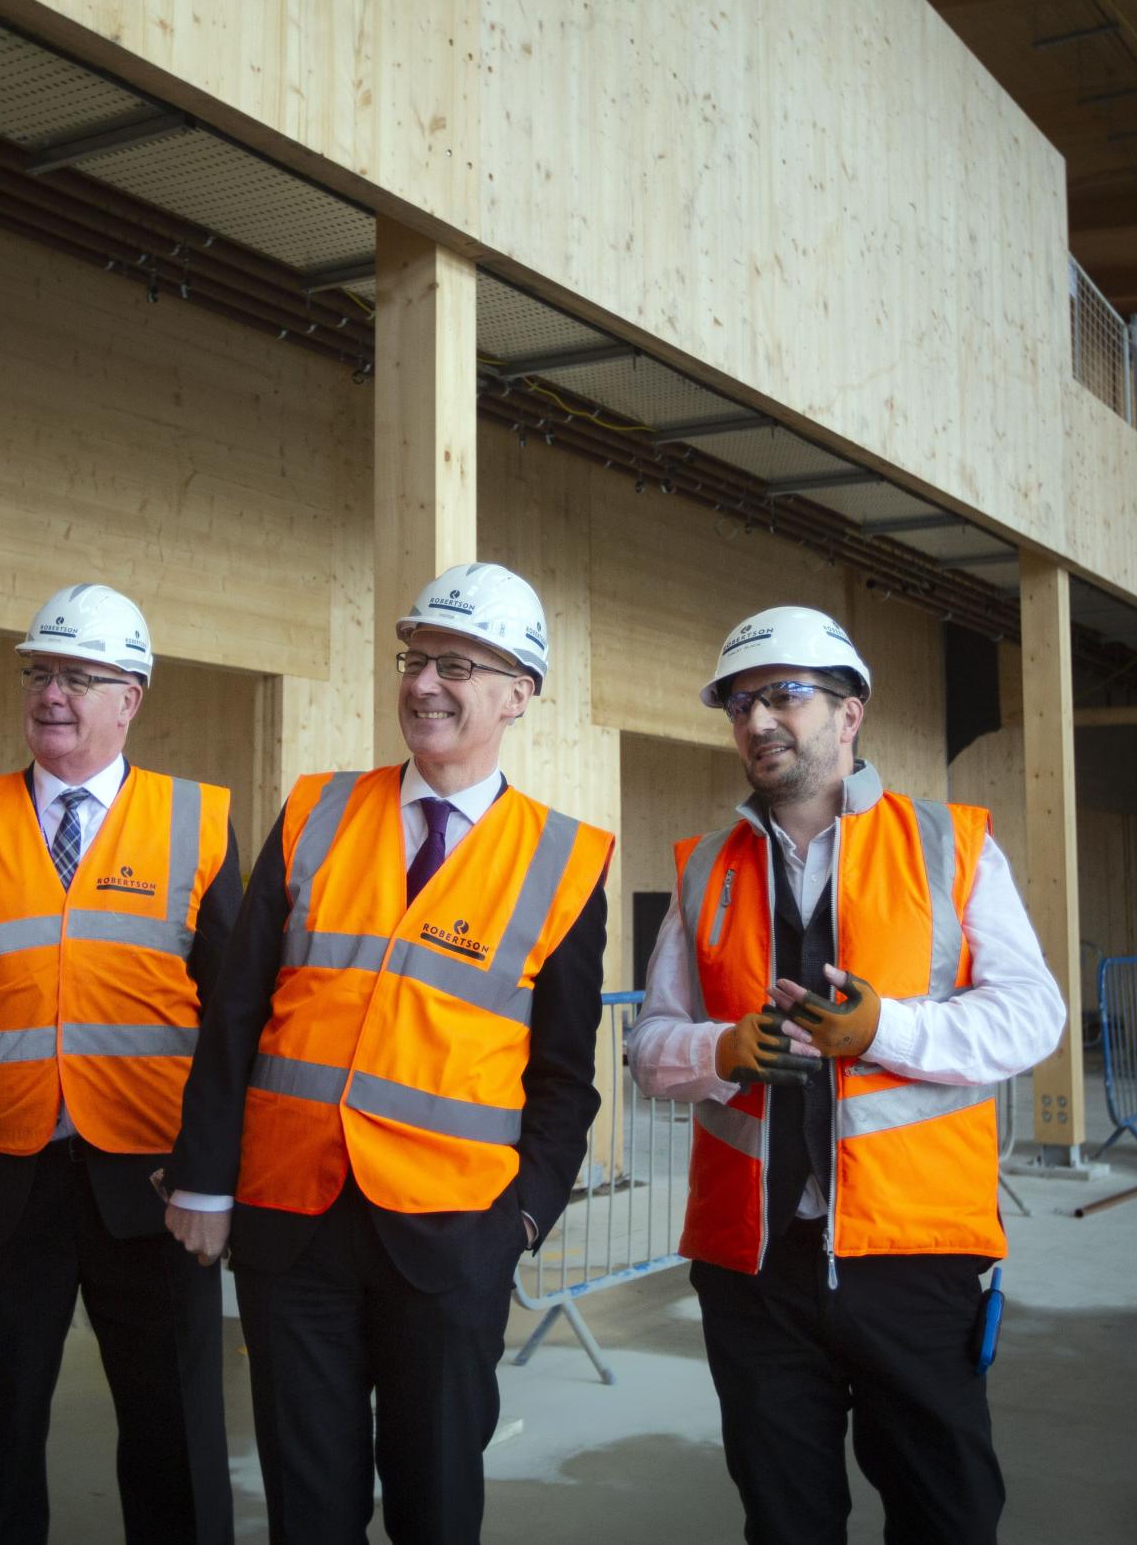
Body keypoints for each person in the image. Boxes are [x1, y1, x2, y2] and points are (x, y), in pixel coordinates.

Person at [166, 562, 616, 1545]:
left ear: (518, 695)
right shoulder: (317, 812)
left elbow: (564, 1077)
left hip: (452, 1241)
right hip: (292, 1227)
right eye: (415, 659)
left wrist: (523, 1218)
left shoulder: (565, 862)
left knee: (436, 1503)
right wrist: (203, 1179)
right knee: (306, 1506)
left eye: (457, 665)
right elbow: (236, 1010)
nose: (424, 683)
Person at [627, 605, 1067, 1545]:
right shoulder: (706, 870)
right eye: (740, 704)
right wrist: (719, 1050)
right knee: (786, 1524)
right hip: (756, 1269)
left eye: (784, 695)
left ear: (850, 711)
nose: (757, 720)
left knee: (948, 1519)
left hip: (914, 1257)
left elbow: (1036, 1014)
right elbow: (649, 1046)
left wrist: (883, 1029)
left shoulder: (947, 845)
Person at [0, 583, 242, 1545]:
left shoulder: (198, 820)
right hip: (1, 1183)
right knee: (1, 1431)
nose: (52, 693)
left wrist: (217, 1179)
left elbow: (235, 1024)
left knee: (175, 1431)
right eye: (40, 672)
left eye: (79, 677)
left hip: (157, 1186)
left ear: (130, 697)